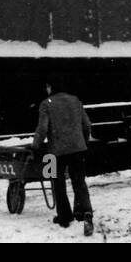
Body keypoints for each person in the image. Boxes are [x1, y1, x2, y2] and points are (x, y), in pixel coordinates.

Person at [31, 80, 95, 235]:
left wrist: (35, 145)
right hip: (78, 148)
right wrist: (83, 142)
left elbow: (42, 128)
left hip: (55, 151)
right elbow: (87, 124)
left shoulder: (46, 103)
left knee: (57, 182)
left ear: (50, 87)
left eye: (47, 86)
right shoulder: (75, 100)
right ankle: (84, 211)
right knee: (79, 181)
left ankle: (64, 216)